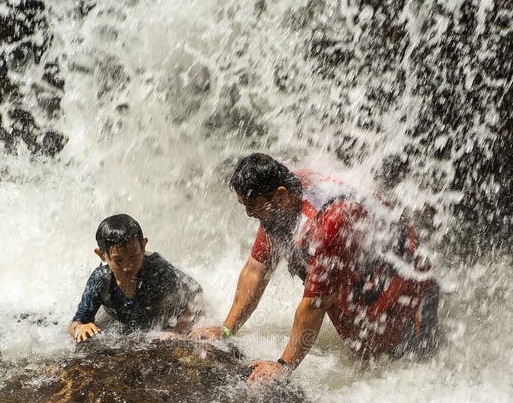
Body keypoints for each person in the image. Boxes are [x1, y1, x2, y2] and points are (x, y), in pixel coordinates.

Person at [190, 153, 439, 382]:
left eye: (253, 208)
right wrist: (226, 329)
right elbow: (256, 269)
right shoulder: (282, 202)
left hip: (408, 300)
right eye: (246, 207)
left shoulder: (328, 222)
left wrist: (283, 366)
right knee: (367, 357)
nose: (249, 214)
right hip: (366, 287)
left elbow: (314, 304)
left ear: (280, 196)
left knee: (406, 372)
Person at [69, 214, 202, 343]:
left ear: (143, 246)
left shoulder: (157, 269)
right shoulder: (101, 280)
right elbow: (77, 321)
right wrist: (79, 328)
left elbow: (195, 291)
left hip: (164, 313)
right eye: (118, 260)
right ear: (102, 255)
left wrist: (178, 331)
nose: (127, 267)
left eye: (133, 257)